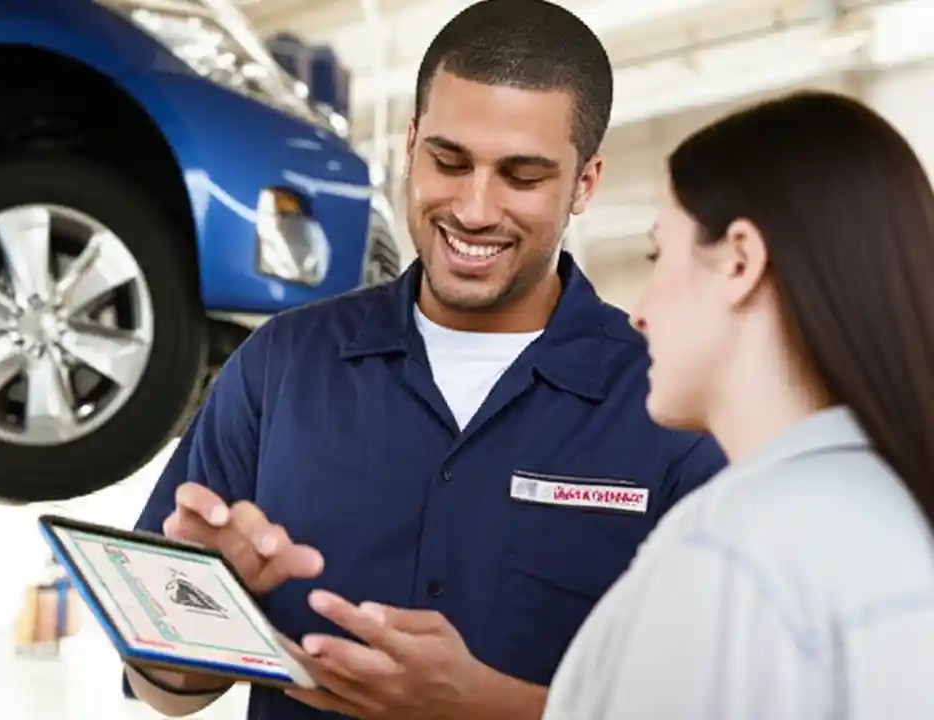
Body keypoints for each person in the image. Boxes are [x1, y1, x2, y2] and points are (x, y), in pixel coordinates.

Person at [127, 1, 727, 717]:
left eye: (521, 176)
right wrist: (208, 604)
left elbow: (725, 698)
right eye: (448, 161)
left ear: (585, 184)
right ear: (410, 143)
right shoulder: (279, 369)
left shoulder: (674, 406)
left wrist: (488, 705)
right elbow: (162, 690)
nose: (474, 209)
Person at [543, 91, 934, 719]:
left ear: (740, 262)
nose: (639, 311)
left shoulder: (728, 555)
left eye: (659, 253)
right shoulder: (901, 514)